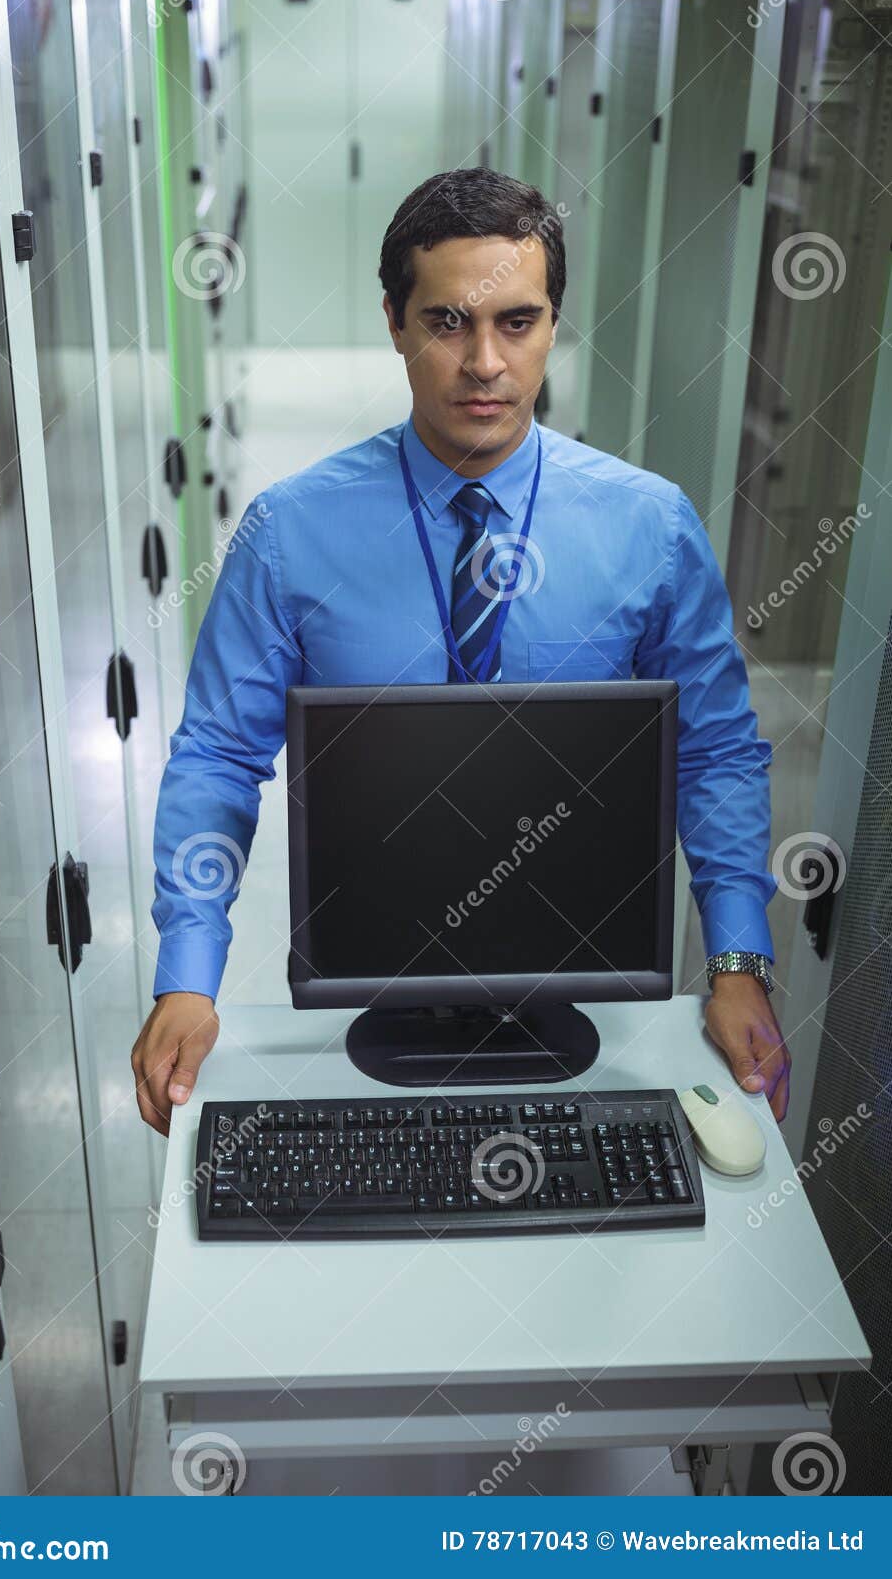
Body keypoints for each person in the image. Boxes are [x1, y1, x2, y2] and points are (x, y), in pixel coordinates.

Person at [131, 167, 790, 1135]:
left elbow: (714, 749)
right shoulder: (289, 533)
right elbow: (218, 757)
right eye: (446, 323)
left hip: (586, 993)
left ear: (551, 323)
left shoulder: (646, 527)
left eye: (515, 322)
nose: (484, 361)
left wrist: (735, 959)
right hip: (364, 994)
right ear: (394, 320)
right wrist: (186, 975)